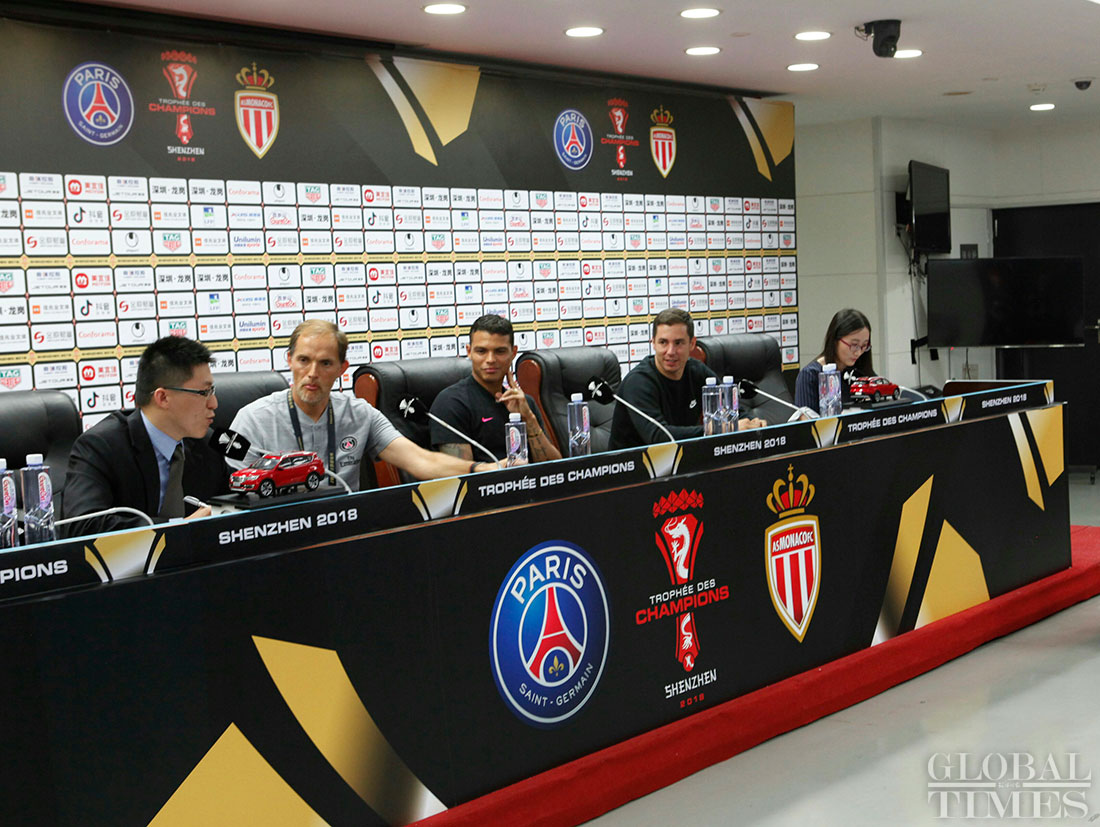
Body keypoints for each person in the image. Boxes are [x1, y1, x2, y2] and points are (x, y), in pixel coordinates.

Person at [228, 320, 500, 490]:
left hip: (345, 533)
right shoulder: (251, 419)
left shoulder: (360, 414)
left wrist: (481, 469)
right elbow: (239, 491)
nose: (312, 373)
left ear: (342, 369)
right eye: (303, 360)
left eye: (325, 363)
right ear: (289, 360)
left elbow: (420, 460)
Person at [61, 336, 229, 537]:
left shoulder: (208, 444)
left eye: (213, 391)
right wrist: (178, 527)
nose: (214, 403)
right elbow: (82, 525)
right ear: (163, 398)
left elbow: (233, 502)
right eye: (204, 393)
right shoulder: (100, 446)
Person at [608, 308, 766, 451]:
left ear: (692, 344)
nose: (671, 351)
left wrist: (755, 423)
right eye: (663, 342)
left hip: (680, 461)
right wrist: (718, 429)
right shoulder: (638, 382)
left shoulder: (696, 371)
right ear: (653, 344)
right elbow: (659, 437)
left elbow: (732, 410)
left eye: (678, 343)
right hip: (633, 470)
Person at [430, 315, 561, 464]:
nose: (491, 359)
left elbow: (555, 471)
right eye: (481, 351)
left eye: (500, 351)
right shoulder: (451, 403)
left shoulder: (524, 402)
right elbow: (461, 478)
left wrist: (528, 418)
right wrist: (509, 465)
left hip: (530, 485)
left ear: (513, 353)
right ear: (469, 351)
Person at [794, 308, 874, 413]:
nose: (858, 352)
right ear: (835, 340)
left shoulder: (860, 372)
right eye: (854, 345)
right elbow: (806, 424)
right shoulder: (810, 375)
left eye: (864, 346)